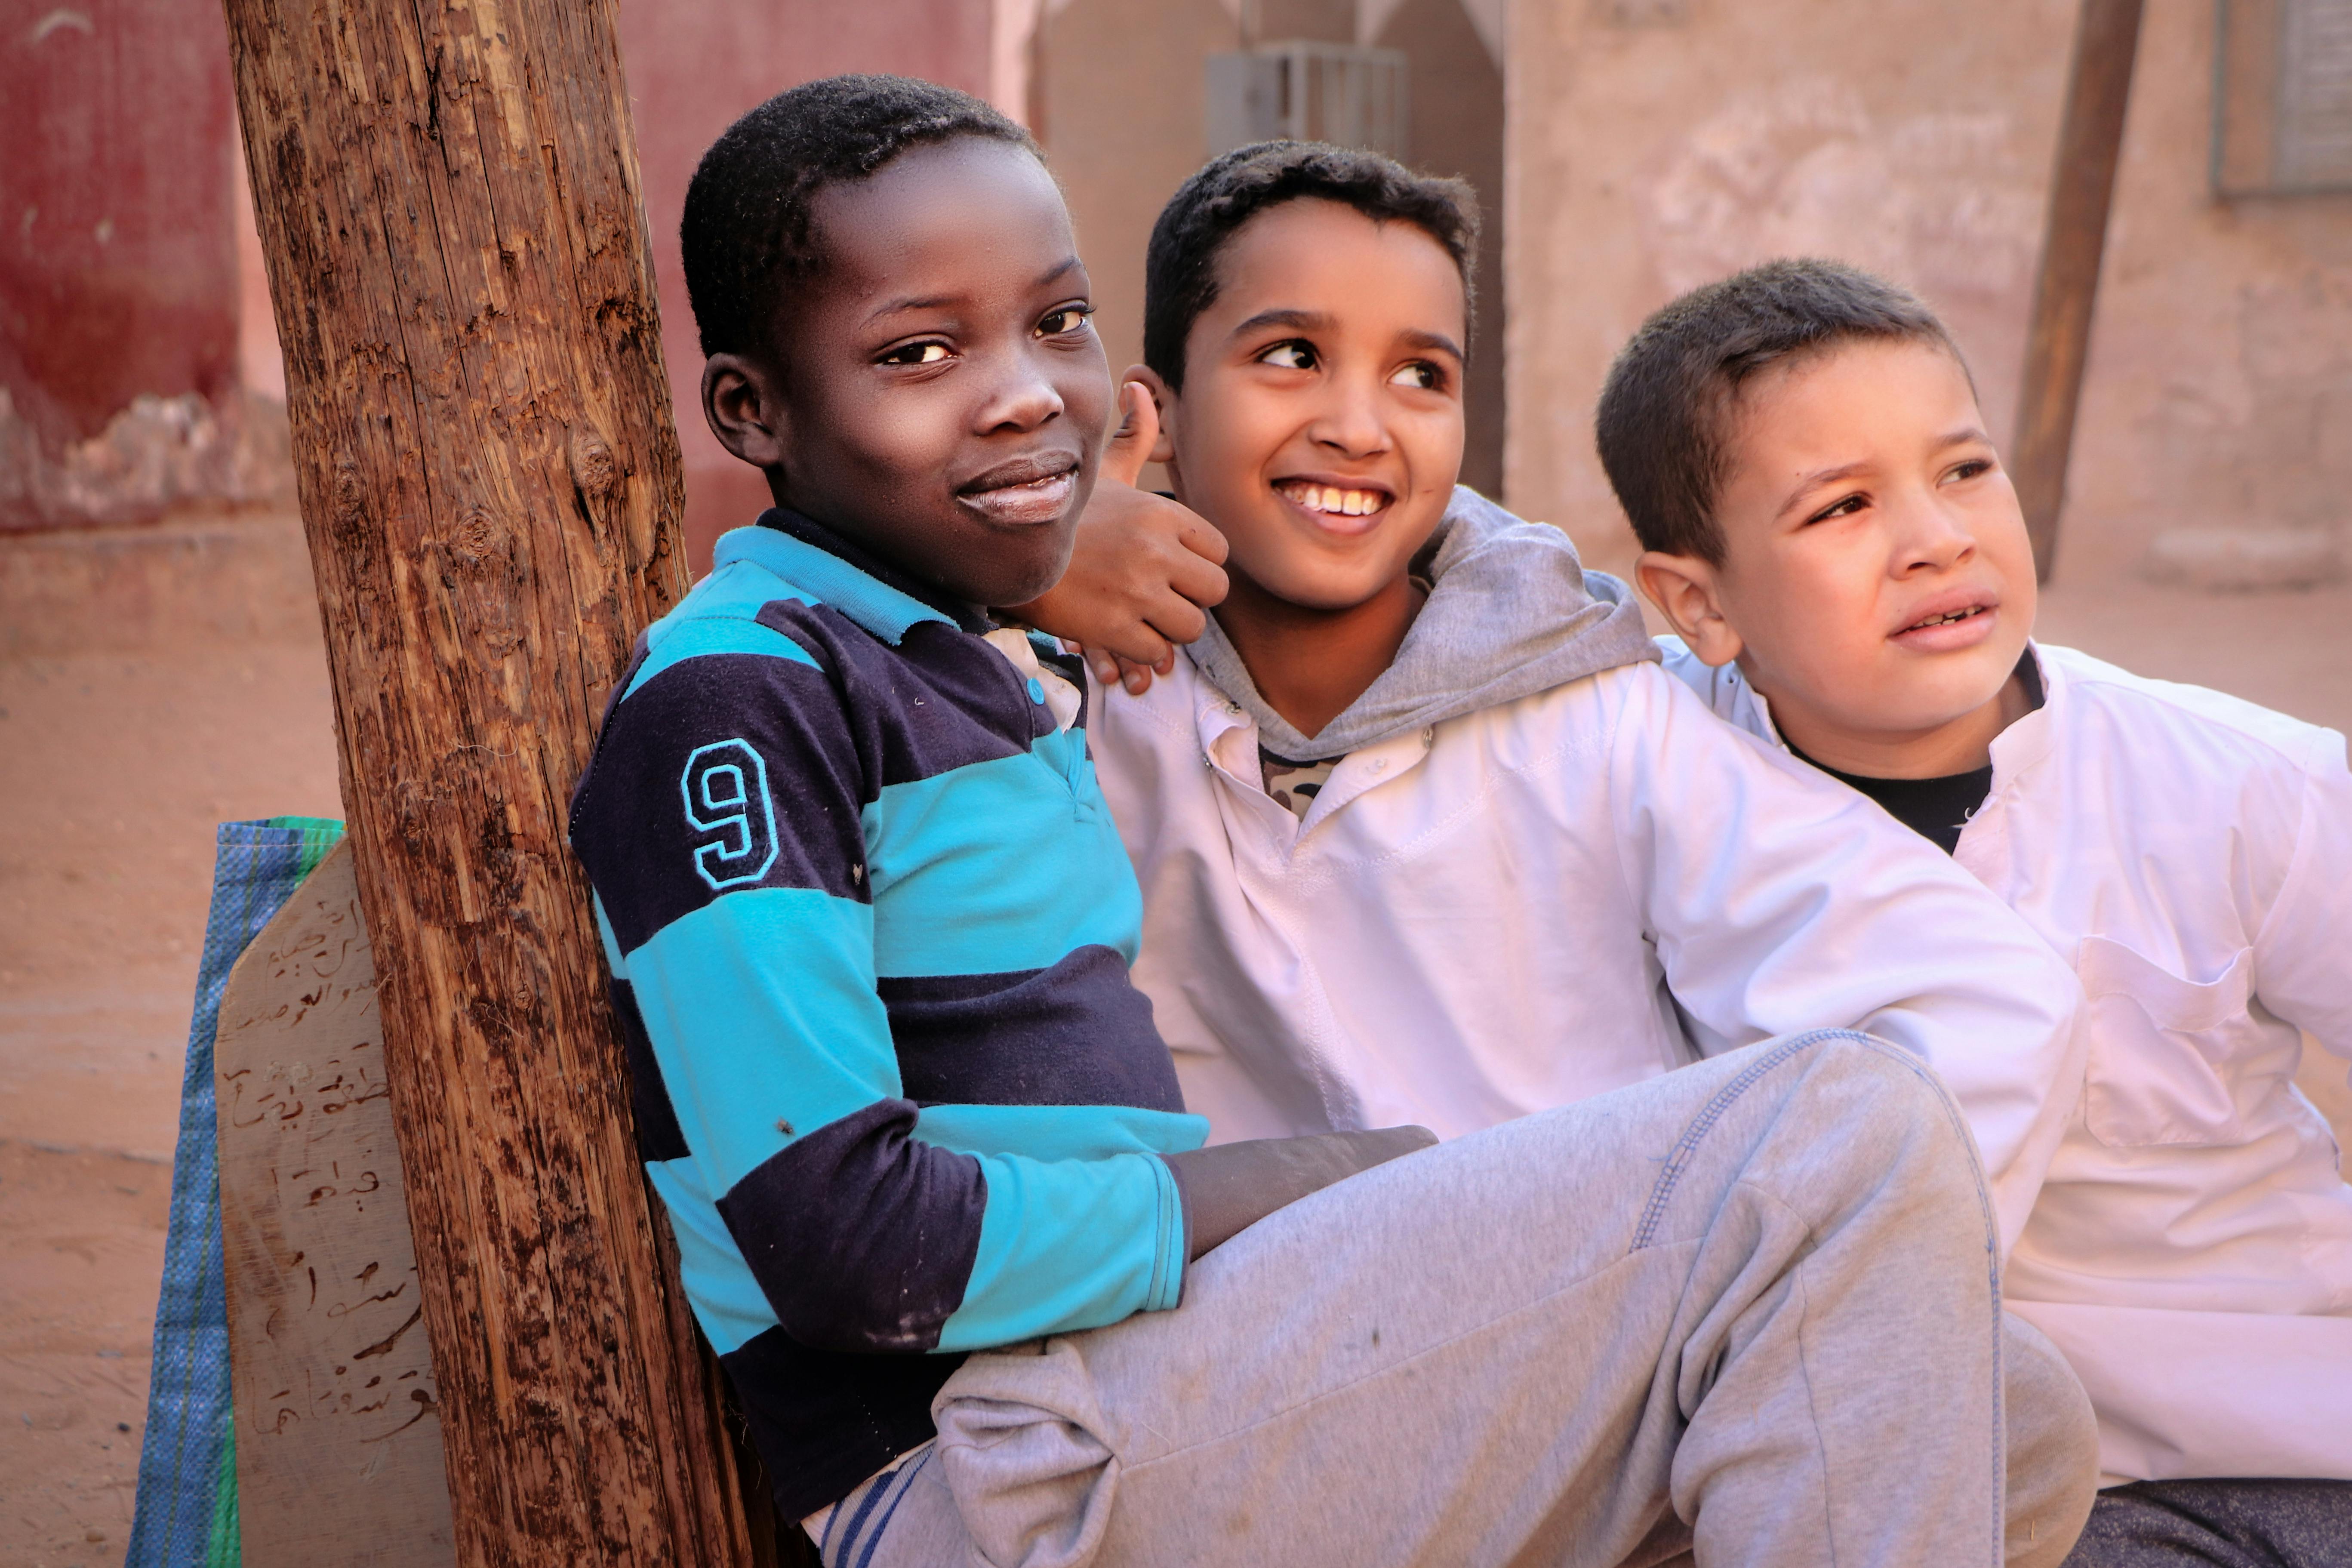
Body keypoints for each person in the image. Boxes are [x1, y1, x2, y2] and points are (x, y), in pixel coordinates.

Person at [568, 81, 2092, 1568]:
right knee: (1833, 1130)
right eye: (919, 351)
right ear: (751, 409)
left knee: (2000, 1412)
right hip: (994, 1460)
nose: (1025, 393)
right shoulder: (741, 703)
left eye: (1057, 324)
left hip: (1169, 1371)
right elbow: (847, 1250)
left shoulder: (972, 658)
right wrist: (1296, 1183)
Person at [1016, 142, 2098, 1564]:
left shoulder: (1588, 711)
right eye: (1290, 357)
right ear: (1153, 412)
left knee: (2011, 1409)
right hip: (1250, 1373)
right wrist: (1029, 563)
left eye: (1421, 375)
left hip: (1577, 1354)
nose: (1359, 424)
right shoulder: (1063, 700)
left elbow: (1984, 1002)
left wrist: (1855, 1288)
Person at [1602, 257, 2352, 1567]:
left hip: (2281, 1451)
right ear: (1700, 602)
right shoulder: (1647, 773)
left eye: (1963, 469)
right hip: (1919, 1469)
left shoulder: (2241, 786)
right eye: (1842, 505)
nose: (1937, 538)